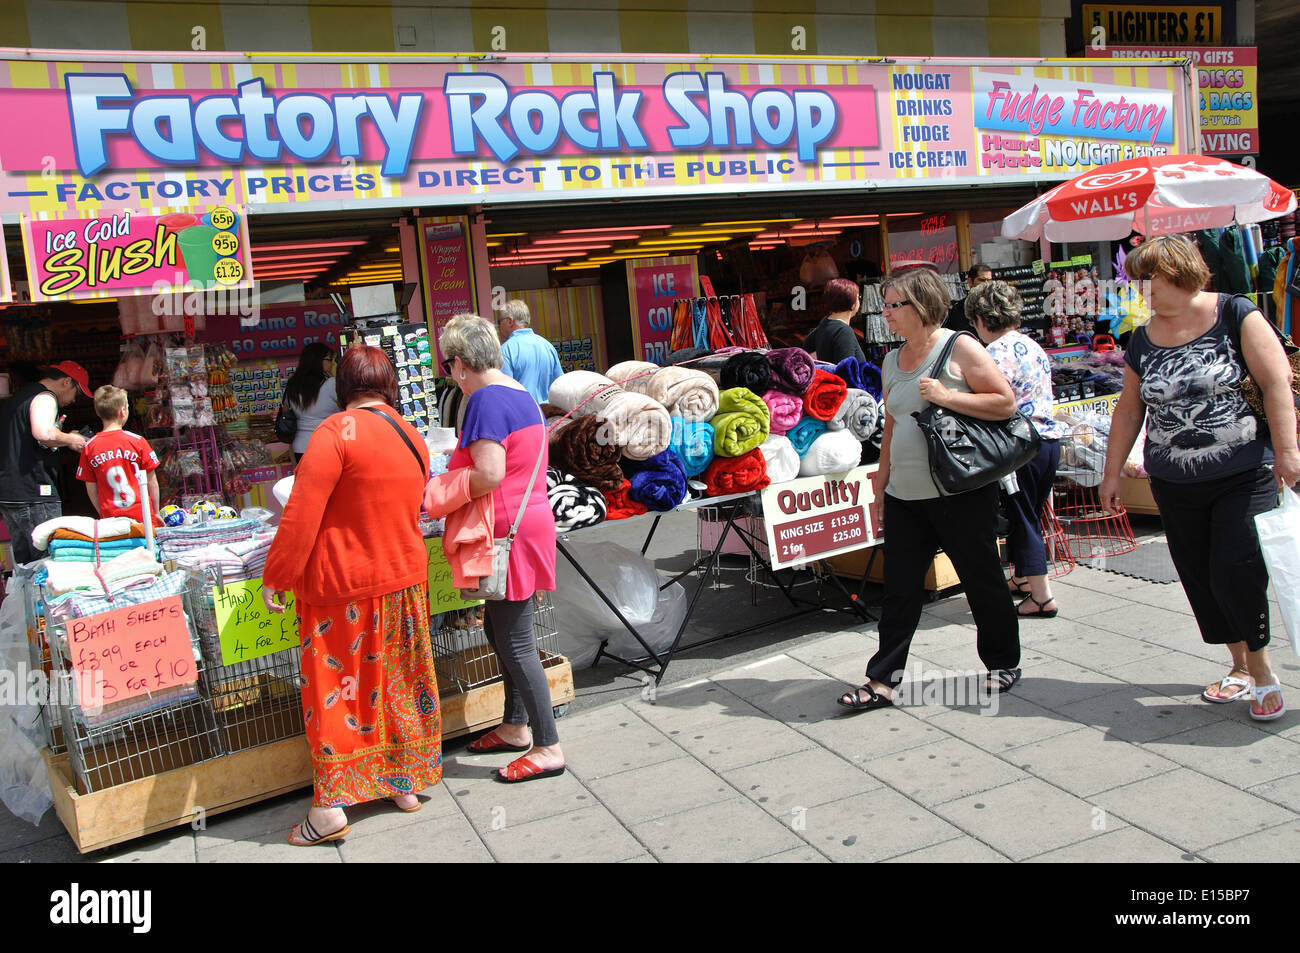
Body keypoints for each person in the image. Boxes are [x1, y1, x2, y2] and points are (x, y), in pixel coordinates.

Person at [1099, 233, 1300, 723]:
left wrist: (1289, 451)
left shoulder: (1236, 313)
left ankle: (1262, 668)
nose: (1139, 289)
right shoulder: (1141, 339)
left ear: (1180, 273)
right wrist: (1110, 473)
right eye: (1135, 280)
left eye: (1148, 279)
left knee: (1236, 567)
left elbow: (1277, 382)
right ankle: (1237, 665)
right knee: (1200, 575)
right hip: (1173, 479)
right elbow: (1129, 411)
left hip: (1243, 469)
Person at [262, 345, 441, 845]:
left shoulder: (334, 432)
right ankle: (404, 782)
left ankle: (330, 808)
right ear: (388, 384)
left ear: (343, 385)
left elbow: (301, 514)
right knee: (400, 684)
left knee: (338, 693)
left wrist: (277, 574)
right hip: (403, 580)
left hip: (343, 588)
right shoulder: (411, 433)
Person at [837, 268, 1022, 711]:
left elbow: (1005, 403)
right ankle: (883, 679)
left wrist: (946, 395)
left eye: (894, 304)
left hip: (959, 492)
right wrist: (881, 484)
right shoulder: (889, 360)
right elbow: (894, 424)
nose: (886, 313)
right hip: (905, 495)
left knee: (981, 579)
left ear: (920, 306)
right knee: (900, 589)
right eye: (885, 304)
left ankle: (1003, 662)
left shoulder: (959, 347)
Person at [424, 313, 562, 782]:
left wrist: (440, 488)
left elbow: (489, 473)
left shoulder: (484, 400)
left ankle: (547, 745)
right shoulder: (520, 392)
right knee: (500, 633)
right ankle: (516, 724)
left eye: (448, 365)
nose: (450, 374)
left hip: (507, 534)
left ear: (461, 364)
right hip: (524, 528)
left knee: (516, 640)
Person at [966, 281, 1068, 618]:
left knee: (1022, 517)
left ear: (980, 319)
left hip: (1018, 446)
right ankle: (1024, 577)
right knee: (1031, 513)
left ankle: (1042, 595)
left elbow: (992, 402)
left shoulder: (992, 354)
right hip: (1048, 440)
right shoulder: (1032, 345)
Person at [0, 361, 90, 566]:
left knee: (25, 564)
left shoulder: (22, 397)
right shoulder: (45, 397)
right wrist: (72, 440)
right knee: (47, 561)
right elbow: (43, 433)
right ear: (67, 382)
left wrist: (65, 437)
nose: (75, 400)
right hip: (33, 493)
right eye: (77, 393)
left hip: (13, 492)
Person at [76, 385, 161, 525]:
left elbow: (91, 487)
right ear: (123, 411)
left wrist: (102, 513)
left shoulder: (89, 447)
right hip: (142, 515)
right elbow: (152, 481)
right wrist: (156, 512)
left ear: (98, 412)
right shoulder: (138, 441)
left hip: (111, 518)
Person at [497, 299, 563, 403]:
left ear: (510, 321)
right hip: (548, 416)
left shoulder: (506, 350)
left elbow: (505, 393)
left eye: (499, 322)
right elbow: (560, 386)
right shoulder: (547, 346)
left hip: (522, 415)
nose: (498, 326)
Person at [282, 343, 339, 462]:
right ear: (317, 361)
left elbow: (286, 411)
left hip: (300, 446)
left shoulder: (292, 386)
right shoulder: (331, 384)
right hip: (327, 445)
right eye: (329, 359)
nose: (332, 363)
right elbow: (347, 409)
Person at [803, 277, 866, 364]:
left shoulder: (824, 324)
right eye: (858, 297)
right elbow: (846, 370)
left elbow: (806, 351)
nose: (860, 300)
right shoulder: (843, 331)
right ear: (852, 304)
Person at [945, 263, 993, 335]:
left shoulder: (996, 307)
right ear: (970, 282)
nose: (986, 284)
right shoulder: (957, 309)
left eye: (989, 280)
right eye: (982, 280)